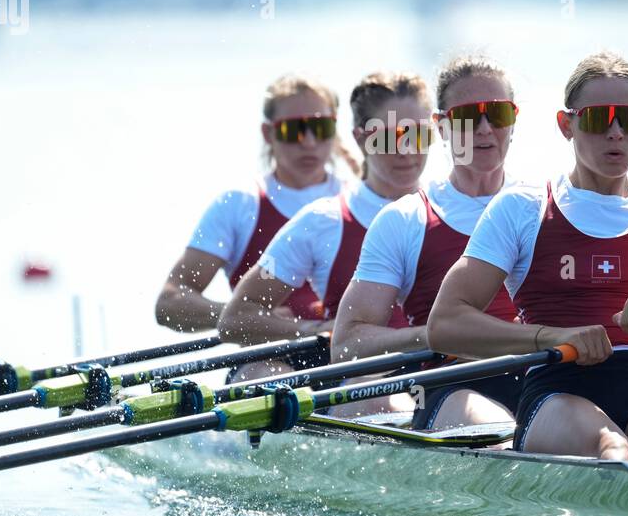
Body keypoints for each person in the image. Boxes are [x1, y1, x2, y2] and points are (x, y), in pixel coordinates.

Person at [427, 51, 628, 463]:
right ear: (566, 125)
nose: (616, 132)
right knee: (613, 450)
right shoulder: (522, 208)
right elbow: (445, 323)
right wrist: (552, 336)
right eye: (599, 119)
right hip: (556, 387)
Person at [332, 54, 522, 429]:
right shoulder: (405, 219)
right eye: (469, 117)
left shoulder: (545, 207)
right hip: (453, 390)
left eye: (497, 114)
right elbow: (347, 346)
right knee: (499, 428)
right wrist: (435, 335)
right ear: (441, 125)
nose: (484, 129)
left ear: (513, 121)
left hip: (544, 380)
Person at [218, 72, 432, 385]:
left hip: (442, 375)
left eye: (417, 135)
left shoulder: (458, 212)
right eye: (388, 136)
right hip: (363, 384)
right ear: (360, 138)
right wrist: (309, 329)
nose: (405, 150)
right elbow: (235, 319)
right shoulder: (319, 223)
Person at [155, 74, 352, 335]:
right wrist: (243, 314)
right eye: (293, 130)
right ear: (268, 133)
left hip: (348, 356)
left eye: (321, 128)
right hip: (267, 356)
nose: (309, 141)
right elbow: (169, 302)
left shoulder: (359, 201)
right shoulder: (238, 205)